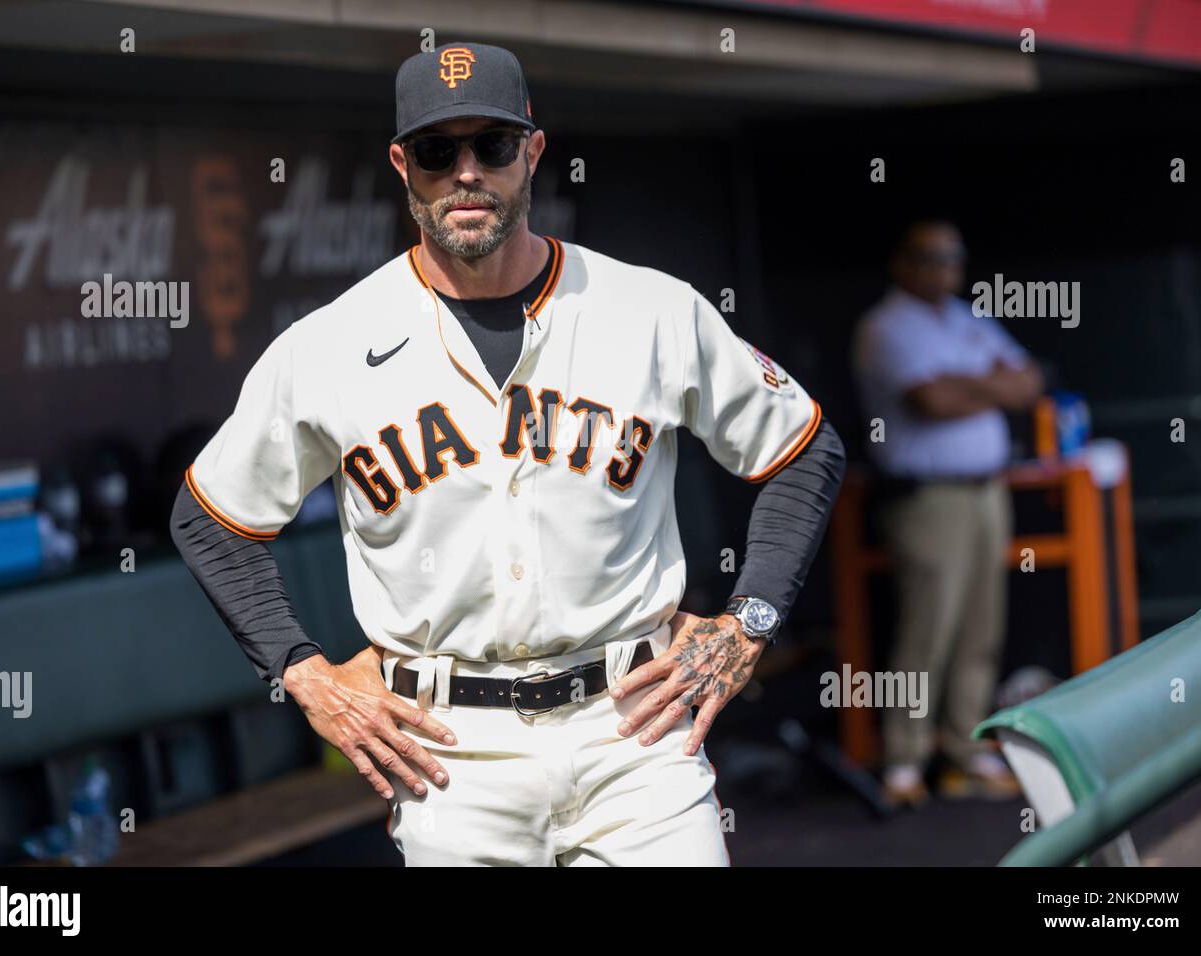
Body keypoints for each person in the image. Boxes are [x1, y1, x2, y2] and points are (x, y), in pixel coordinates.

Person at [172, 42, 844, 866]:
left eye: (490, 145)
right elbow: (211, 518)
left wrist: (748, 627)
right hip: (448, 752)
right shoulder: (327, 345)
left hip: (633, 732)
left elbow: (804, 450)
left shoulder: (652, 309)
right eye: (436, 150)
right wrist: (305, 674)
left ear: (532, 151)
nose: (465, 172)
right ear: (401, 163)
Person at [853, 221, 1043, 807]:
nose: (943, 268)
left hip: (987, 490)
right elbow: (930, 401)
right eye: (929, 258)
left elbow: (1029, 381)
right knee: (926, 628)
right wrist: (990, 383)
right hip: (926, 496)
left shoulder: (966, 318)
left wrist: (970, 384)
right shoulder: (886, 325)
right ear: (901, 263)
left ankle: (965, 748)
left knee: (981, 626)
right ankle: (905, 761)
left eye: (952, 258)